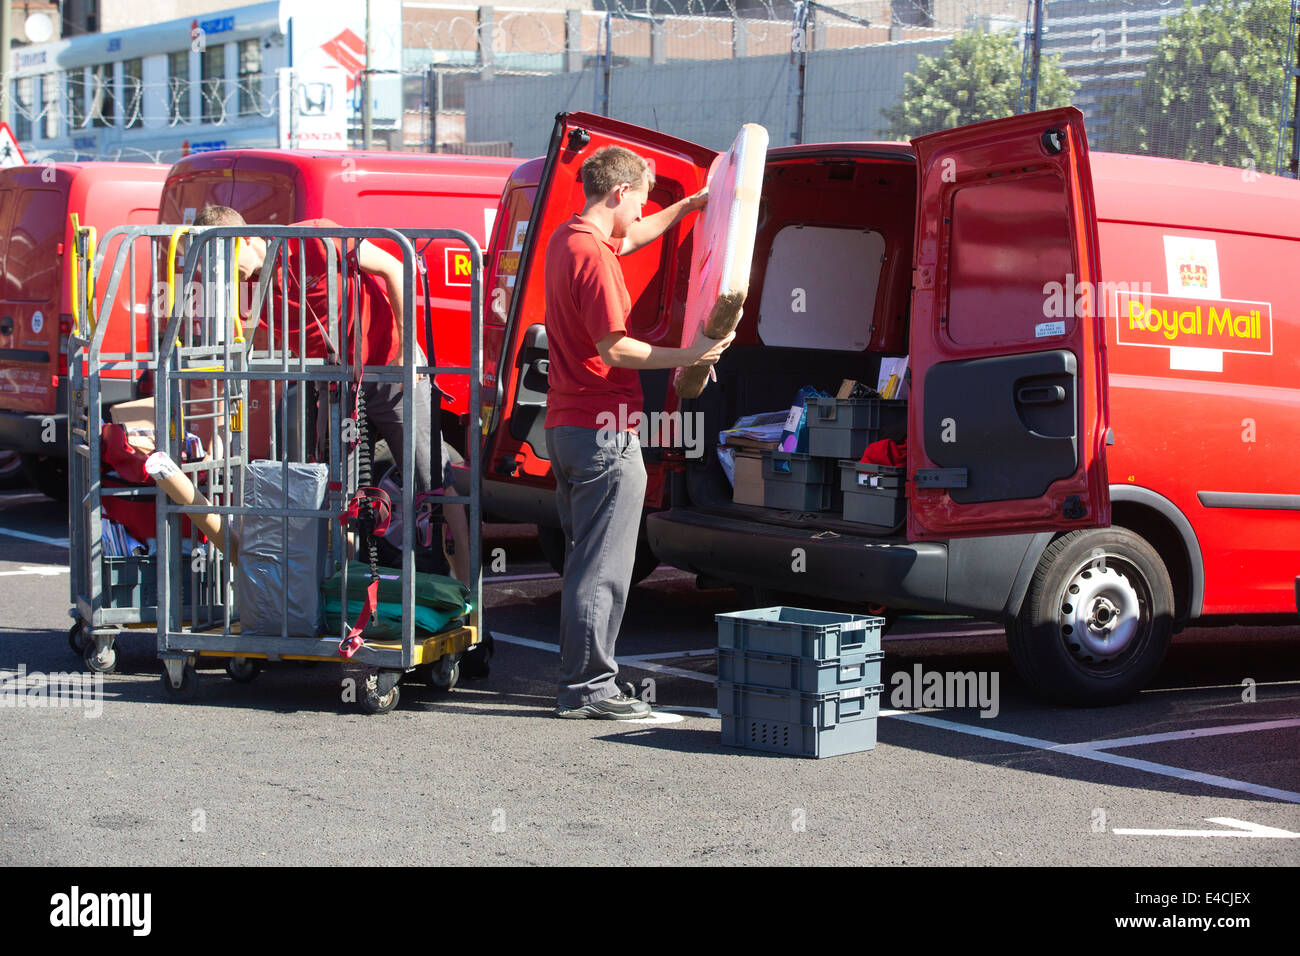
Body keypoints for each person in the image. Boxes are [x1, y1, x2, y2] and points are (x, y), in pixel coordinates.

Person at [546, 146, 733, 719]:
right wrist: (691, 355)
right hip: (603, 432)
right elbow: (616, 349)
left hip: (568, 427)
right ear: (620, 191)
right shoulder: (595, 257)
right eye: (642, 201)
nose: (642, 212)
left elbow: (631, 238)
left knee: (586, 561)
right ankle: (589, 690)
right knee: (603, 567)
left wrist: (689, 207)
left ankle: (581, 680)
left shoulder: (569, 239)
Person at [191, 206, 468, 581]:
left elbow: (396, 266)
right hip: (339, 388)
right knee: (335, 495)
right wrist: (219, 438)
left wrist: (406, 352)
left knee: (434, 483)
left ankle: (468, 590)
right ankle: (345, 591)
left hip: (392, 371)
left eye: (221, 260)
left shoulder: (316, 238)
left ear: (245, 239)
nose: (218, 274)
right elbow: (235, 366)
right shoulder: (246, 290)